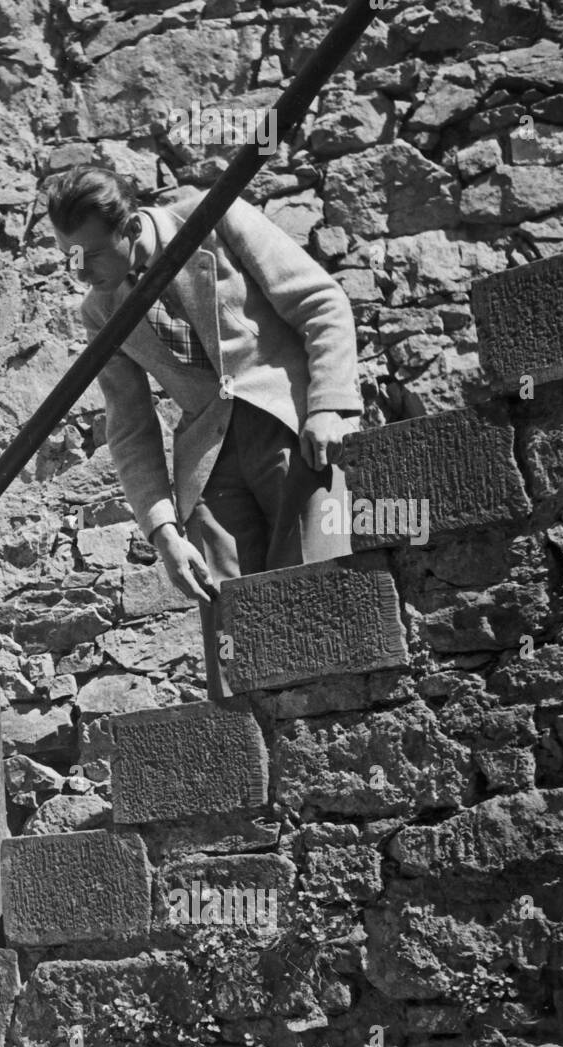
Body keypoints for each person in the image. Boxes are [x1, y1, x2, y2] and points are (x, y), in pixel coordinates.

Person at [45, 166, 363, 697]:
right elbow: (130, 426)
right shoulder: (101, 310)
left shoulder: (216, 218)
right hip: (209, 466)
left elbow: (320, 303)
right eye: (69, 256)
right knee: (233, 648)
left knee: (314, 606)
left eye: (90, 254)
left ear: (129, 228)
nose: (79, 272)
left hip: (289, 426)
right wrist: (163, 530)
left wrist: (329, 406)